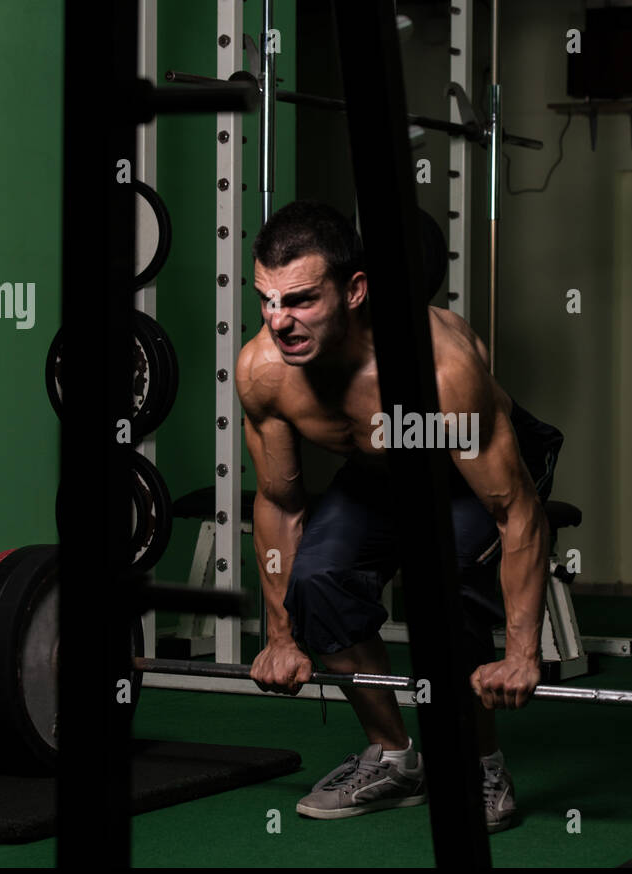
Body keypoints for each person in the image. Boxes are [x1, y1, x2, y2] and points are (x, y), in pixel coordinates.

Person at [236, 199, 563, 833]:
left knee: (445, 580)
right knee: (317, 582)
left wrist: (524, 653)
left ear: (355, 290)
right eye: (267, 300)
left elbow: (514, 509)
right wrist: (281, 636)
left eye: (301, 299)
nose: (279, 321)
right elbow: (280, 502)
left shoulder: (439, 372)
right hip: (381, 471)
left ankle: (480, 760)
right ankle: (393, 758)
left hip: (469, 475)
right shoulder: (265, 374)